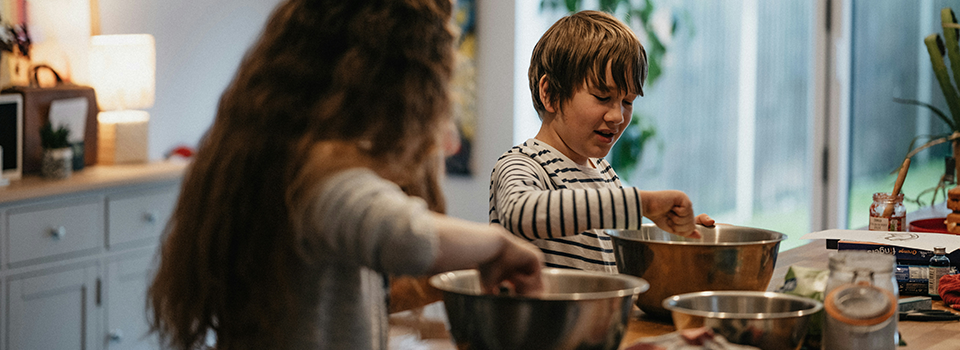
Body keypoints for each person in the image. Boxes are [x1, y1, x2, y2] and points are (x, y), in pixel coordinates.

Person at [147, 1, 545, 349]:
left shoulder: (274, 151)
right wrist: (498, 244)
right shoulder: (316, 175)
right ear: (389, 82)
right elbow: (405, 235)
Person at [489, 10, 713, 273]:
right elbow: (521, 213)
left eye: (627, 102)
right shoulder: (522, 164)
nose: (618, 116)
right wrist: (643, 204)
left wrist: (674, 232)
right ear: (549, 93)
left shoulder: (604, 173)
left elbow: (608, 229)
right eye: (602, 96)